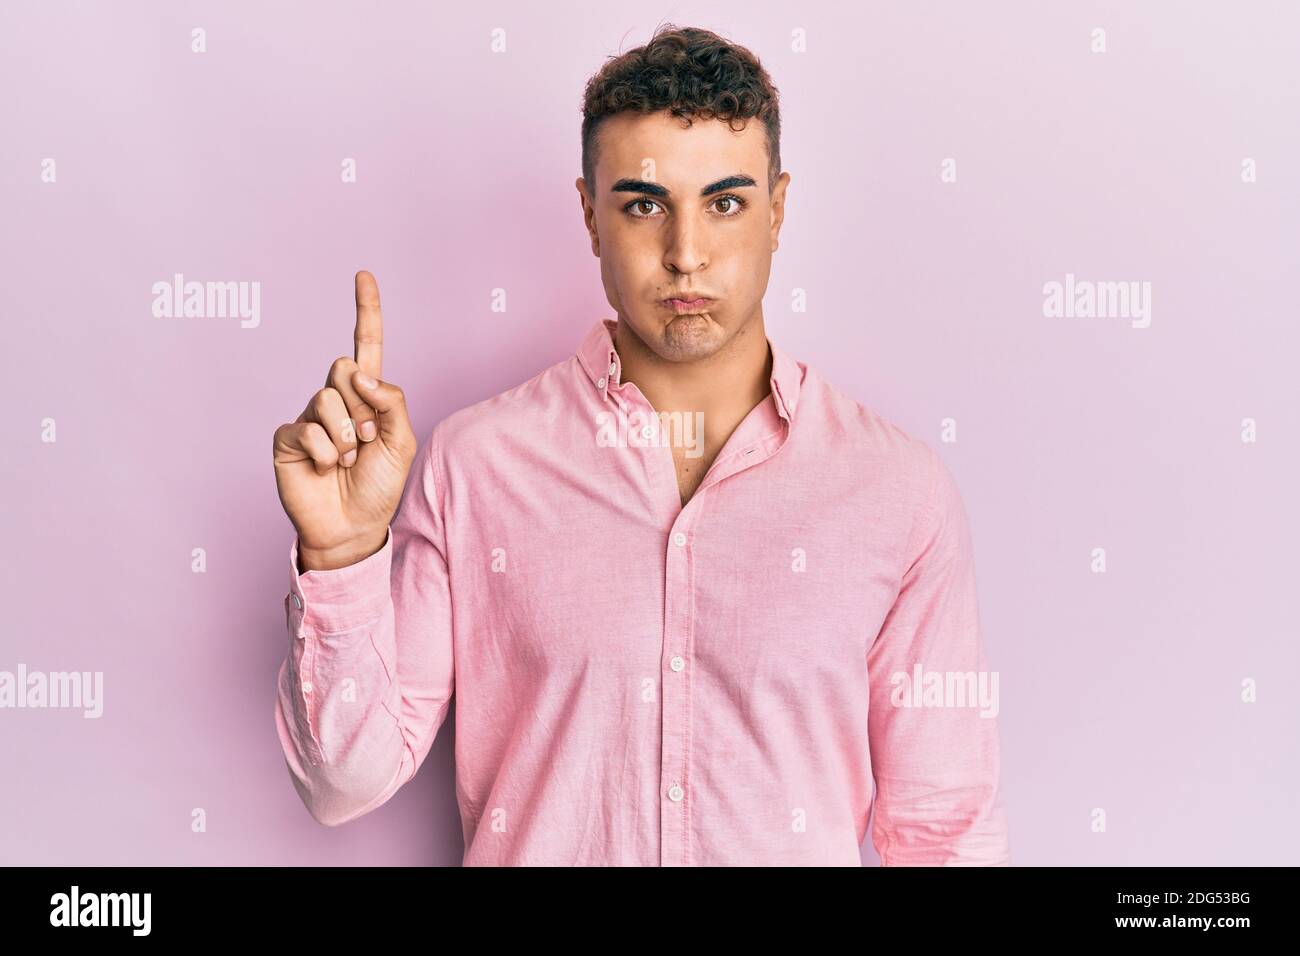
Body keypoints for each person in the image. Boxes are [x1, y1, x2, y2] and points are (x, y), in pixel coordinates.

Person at [271, 24, 1010, 866]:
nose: (686, 255)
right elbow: (341, 784)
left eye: (725, 202)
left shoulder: (896, 492)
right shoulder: (476, 464)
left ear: (778, 210)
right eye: (644, 205)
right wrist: (340, 552)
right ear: (590, 214)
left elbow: (946, 833)